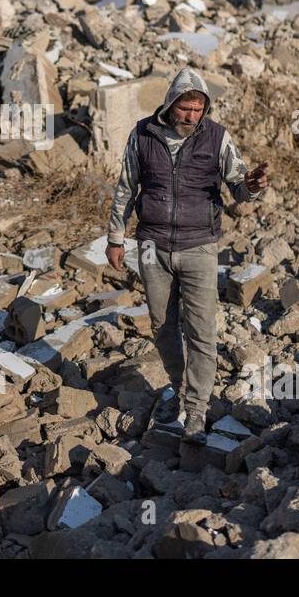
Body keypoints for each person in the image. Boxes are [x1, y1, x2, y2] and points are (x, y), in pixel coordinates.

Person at [106, 67, 269, 443]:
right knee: (163, 327)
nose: (191, 117)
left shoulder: (217, 137)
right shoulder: (143, 135)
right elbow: (125, 188)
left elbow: (239, 188)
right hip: (151, 245)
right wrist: (116, 238)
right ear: (170, 103)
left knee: (201, 331)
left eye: (198, 110)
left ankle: (196, 411)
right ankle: (180, 387)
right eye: (185, 109)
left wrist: (253, 186)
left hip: (200, 246)